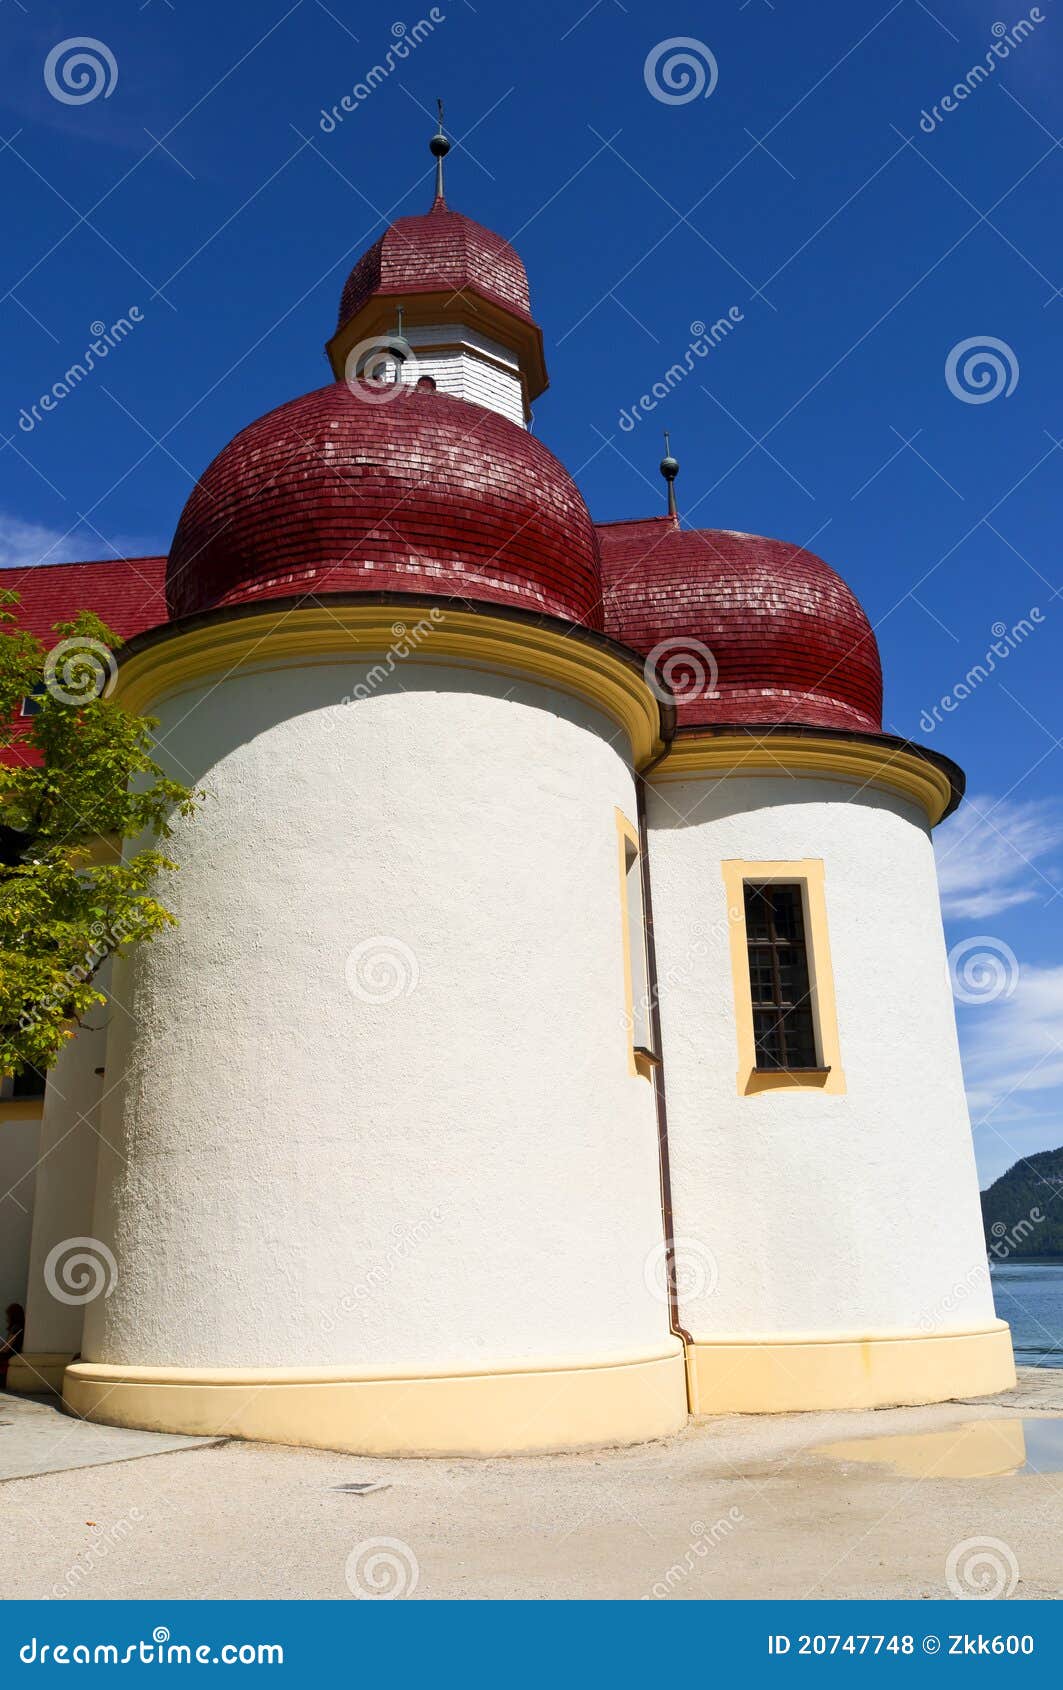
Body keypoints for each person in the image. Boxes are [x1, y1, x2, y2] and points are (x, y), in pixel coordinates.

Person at [0, 1302, 25, 1389]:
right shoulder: (21, 1327)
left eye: (8, 1315)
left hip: (9, 1354)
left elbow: (6, 1348)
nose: (7, 1318)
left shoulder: (16, 1328)